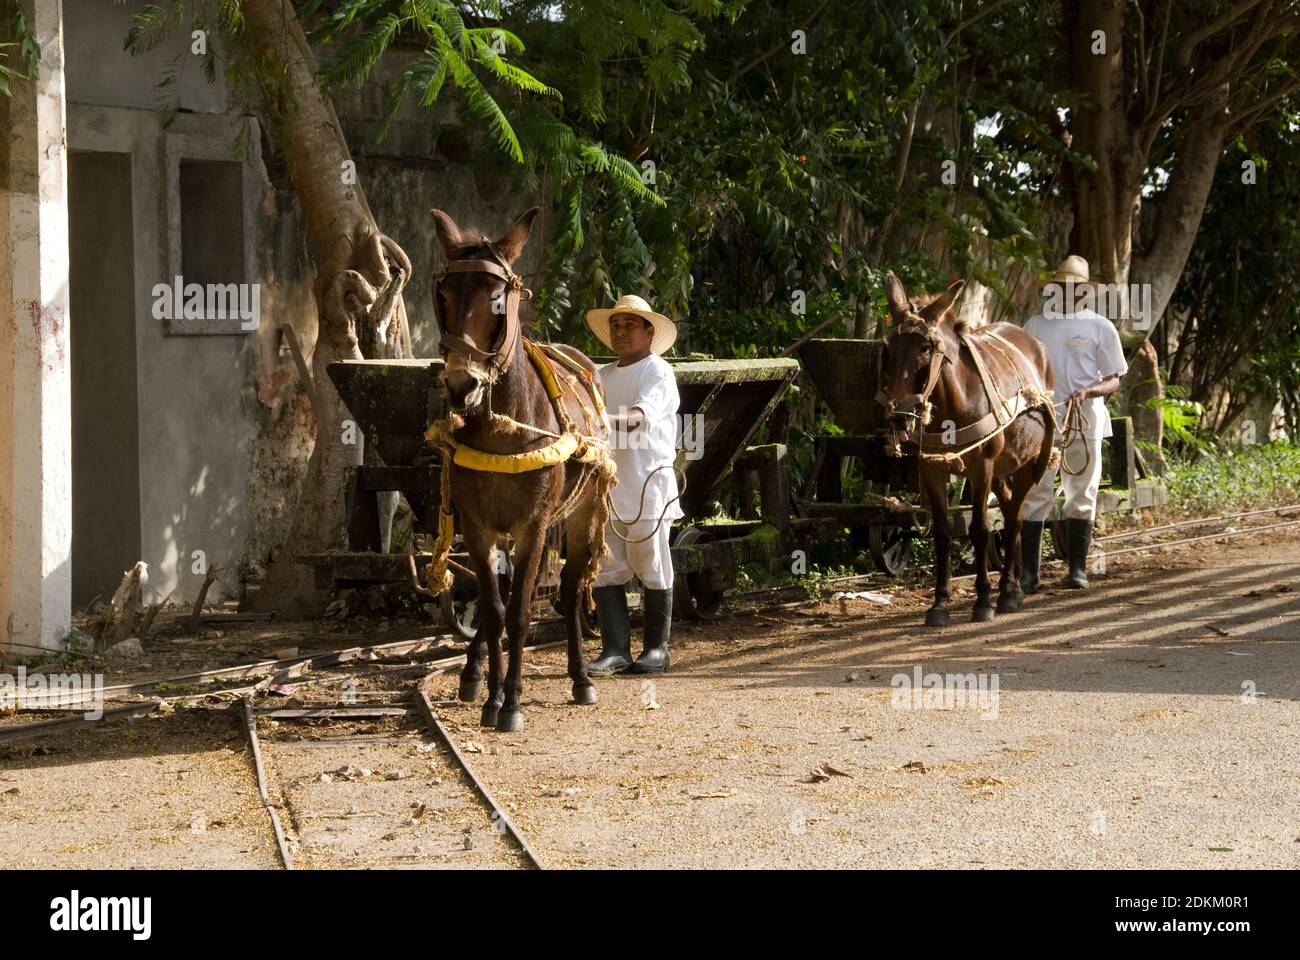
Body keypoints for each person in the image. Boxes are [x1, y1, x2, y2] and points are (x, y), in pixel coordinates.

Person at [584, 294, 682, 675]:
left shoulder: (657, 372)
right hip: (608, 484)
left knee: (650, 561)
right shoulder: (601, 375)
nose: (620, 332)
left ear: (648, 331)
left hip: (647, 483)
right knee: (607, 566)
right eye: (615, 325)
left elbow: (639, 418)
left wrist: (595, 420)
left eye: (629, 325)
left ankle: (657, 648)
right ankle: (615, 650)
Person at [1021, 255, 1128, 590]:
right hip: (1042, 420)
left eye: (1076, 288)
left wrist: (1089, 391)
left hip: (1086, 419)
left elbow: (1114, 379)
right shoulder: (1035, 325)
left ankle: (1077, 569)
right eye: (1063, 287)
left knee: (1081, 491)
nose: (1069, 293)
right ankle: (1029, 574)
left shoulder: (1100, 326)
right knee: (1035, 492)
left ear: (1085, 292)